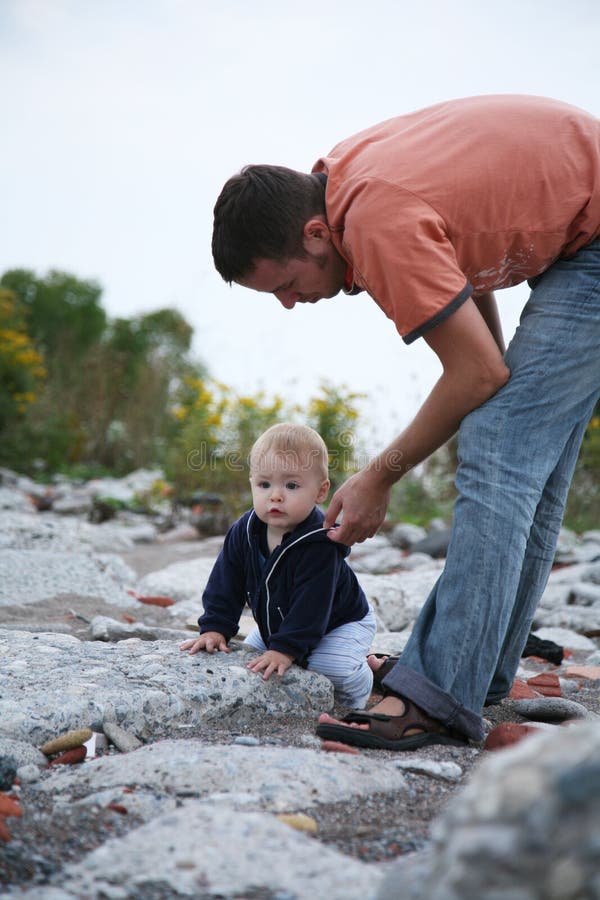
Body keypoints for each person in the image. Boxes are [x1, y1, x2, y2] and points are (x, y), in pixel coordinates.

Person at [211, 94, 600, 750]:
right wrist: (485, 390)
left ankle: (438, 696)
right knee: (517, 453)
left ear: (314, 235)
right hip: (583, 223)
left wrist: (379, 476)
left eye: (284, 284)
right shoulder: (342, 185)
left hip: (592, 235)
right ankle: (476, 671)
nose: (288, 304)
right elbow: (478, 329)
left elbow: (477, 373)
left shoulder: (374, 220)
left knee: (500, 444)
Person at [179, 422, 376, 708]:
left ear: (320, 492)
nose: (275, 496)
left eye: (291, 485)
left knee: (329, 668)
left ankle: (365, 681)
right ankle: (293, 647)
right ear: (252, 483)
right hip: (280, 623)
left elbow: (312, 604)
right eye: (264, 484)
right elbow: (226, 582)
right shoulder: (244, 531)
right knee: (250, 659)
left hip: (340, 622)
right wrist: (215, 627)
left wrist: (285, 649)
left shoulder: (319, 543)